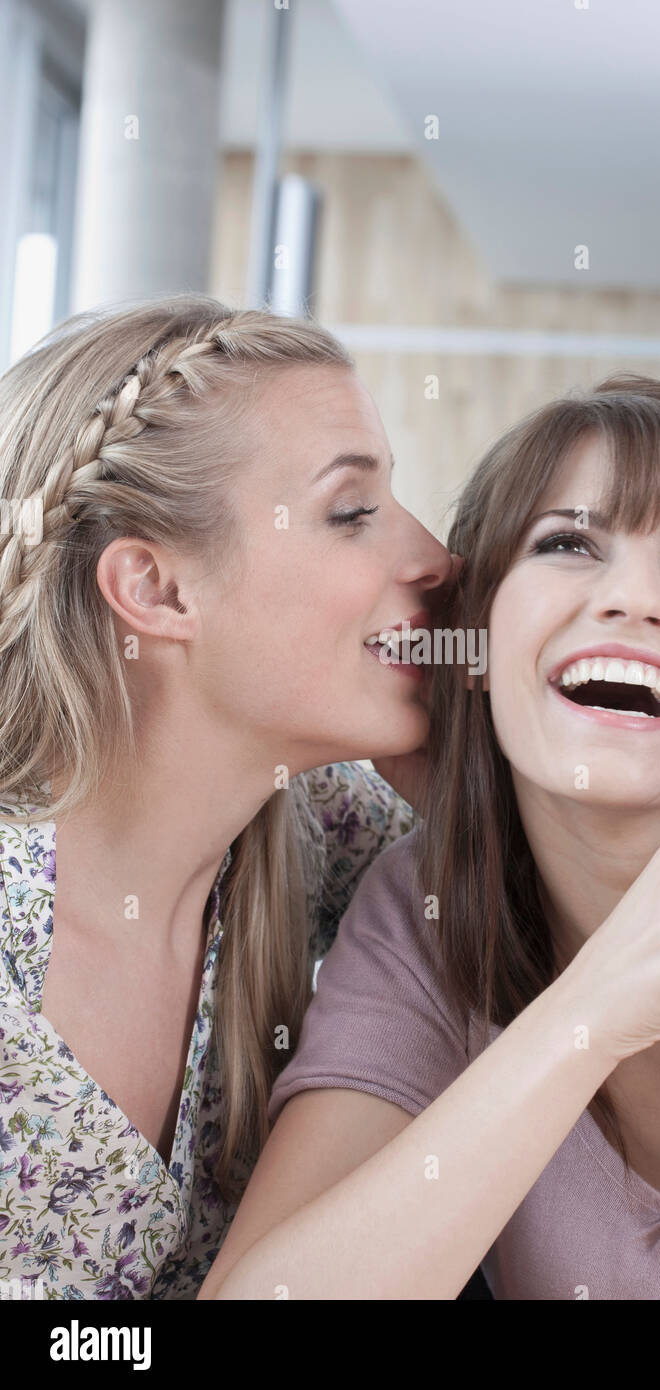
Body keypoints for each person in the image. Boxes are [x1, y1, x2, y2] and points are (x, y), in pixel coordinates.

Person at [200, 376, 660, 1300]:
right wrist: (589, 1011)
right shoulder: (424, 919)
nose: (636, 599)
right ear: (472, 649)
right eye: (566, 544)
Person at [0, 293, 454, 1299]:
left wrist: (472, 785)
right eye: (350, 514)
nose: (433, 558)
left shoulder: (321, 828)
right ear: (158, 592)